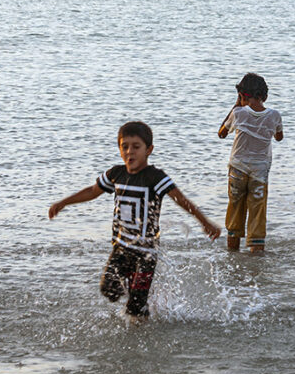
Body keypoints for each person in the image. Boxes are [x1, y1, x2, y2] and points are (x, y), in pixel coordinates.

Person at [48, 121, 221, 320]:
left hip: (146, 252)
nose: (130, 152)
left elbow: (182, 200)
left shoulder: (155, 178)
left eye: (136, 147)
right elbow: (92, 191)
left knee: (136, 306)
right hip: (121, 247)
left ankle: (141, 322)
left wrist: (205, 222)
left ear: (149, 150)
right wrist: (64, 203)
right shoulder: (116, 174)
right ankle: (141, 296)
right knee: (109, 290)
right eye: (125, 146)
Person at [218, 73, 283, 254]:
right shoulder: (274, 115)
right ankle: (256, 258)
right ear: (265, 96)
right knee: (257, 213)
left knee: (235, 210)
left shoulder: (237, 113)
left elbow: (221, 133)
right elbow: (279, 137)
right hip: (260, 172)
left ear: (241, 96)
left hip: (237, 170)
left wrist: (236, 106)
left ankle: (233, 254)